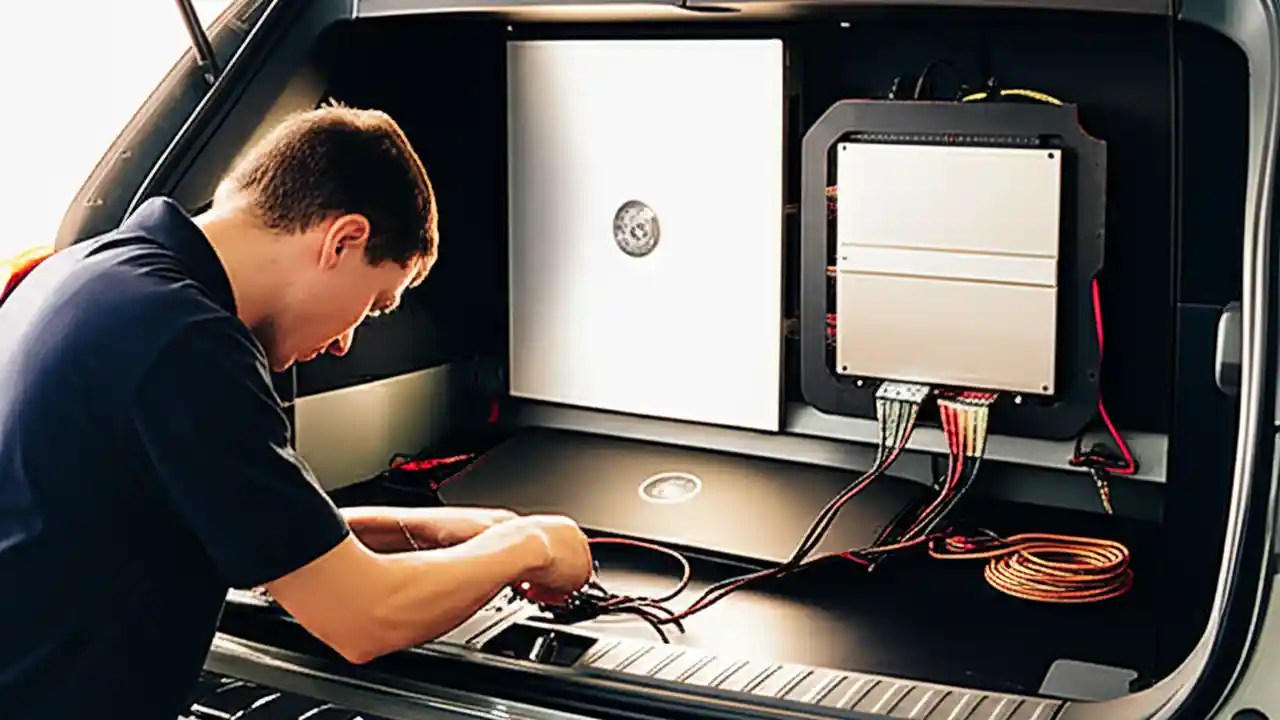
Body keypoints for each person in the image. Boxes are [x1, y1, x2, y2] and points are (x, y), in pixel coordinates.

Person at [0, 103, 594, 719]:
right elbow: (362, 619)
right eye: (375, 304)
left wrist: (440, 531)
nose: (344, 343)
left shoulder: (91, 275)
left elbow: (244, 525)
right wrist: (531, 544)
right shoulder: (185, 342)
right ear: (344, 240)